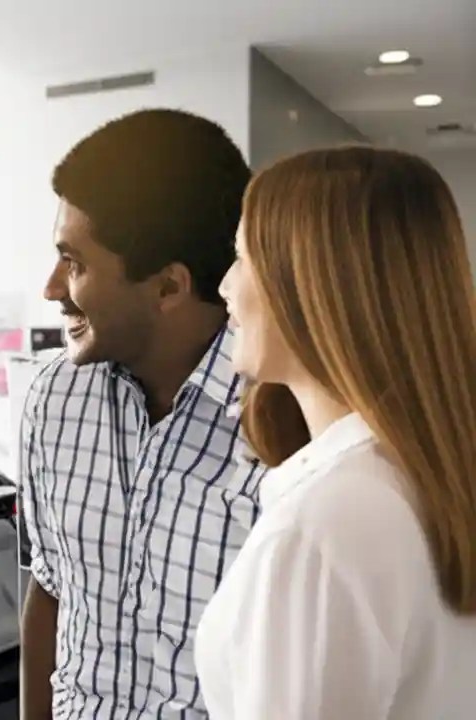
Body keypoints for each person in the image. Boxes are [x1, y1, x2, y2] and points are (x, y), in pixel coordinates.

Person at [198, 145, 476, 718]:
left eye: (242, 257)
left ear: (315, 283)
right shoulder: (425, 482)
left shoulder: (323, 529)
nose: (224, 286)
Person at [18, 108, 266, 719]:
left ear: (168, 287)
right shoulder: (53, 397)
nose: (52, 288)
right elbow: (49, 588)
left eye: (75, 263)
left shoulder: (283, 421)